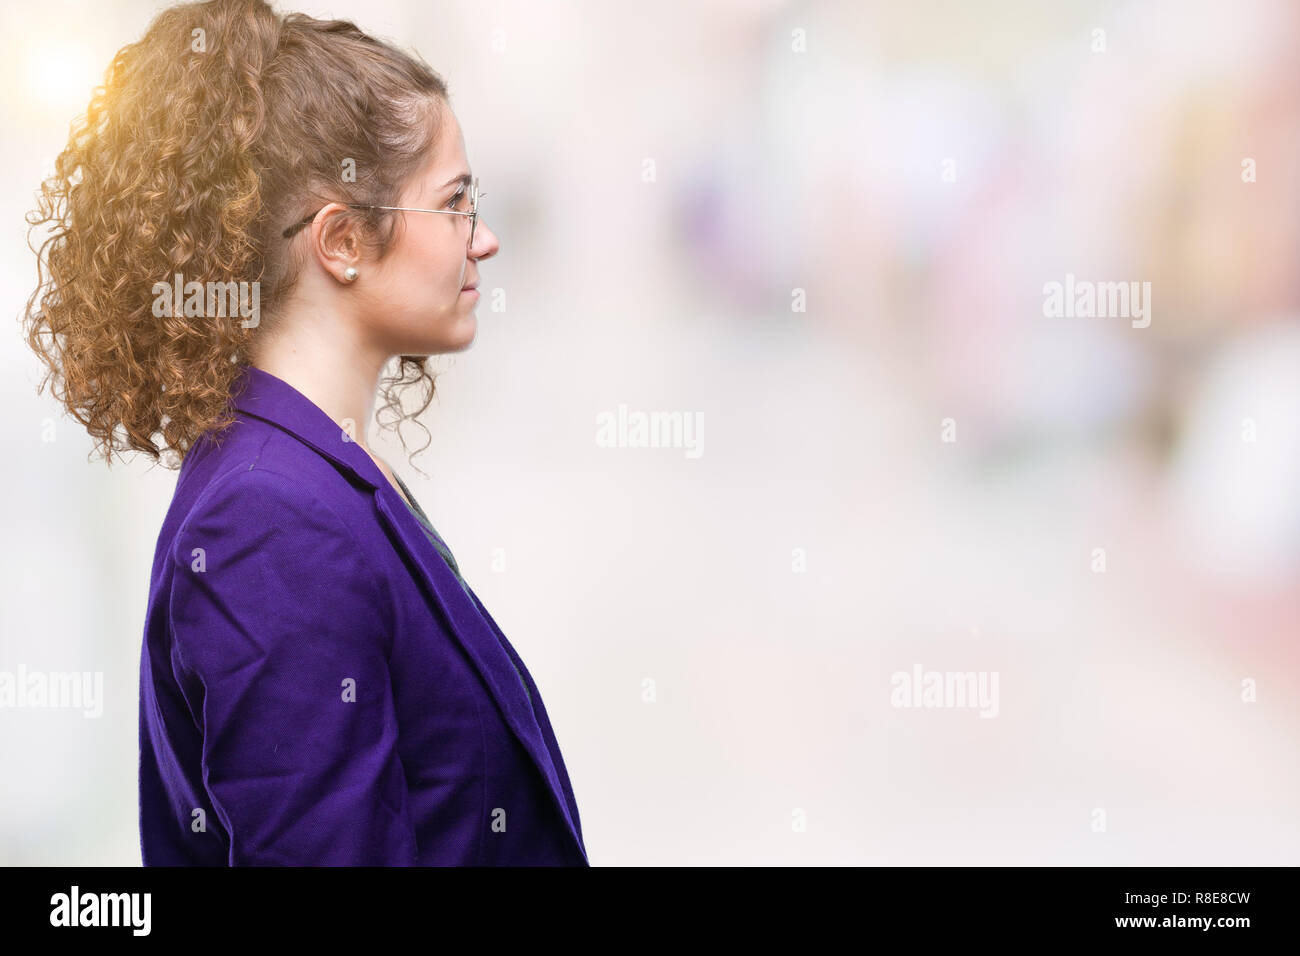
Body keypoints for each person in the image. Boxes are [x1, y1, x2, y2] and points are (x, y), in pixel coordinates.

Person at [22, 0, 588, 866]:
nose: (487, 240)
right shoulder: (267, 523)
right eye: (457, 202)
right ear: (343, 240)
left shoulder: (314, 473)